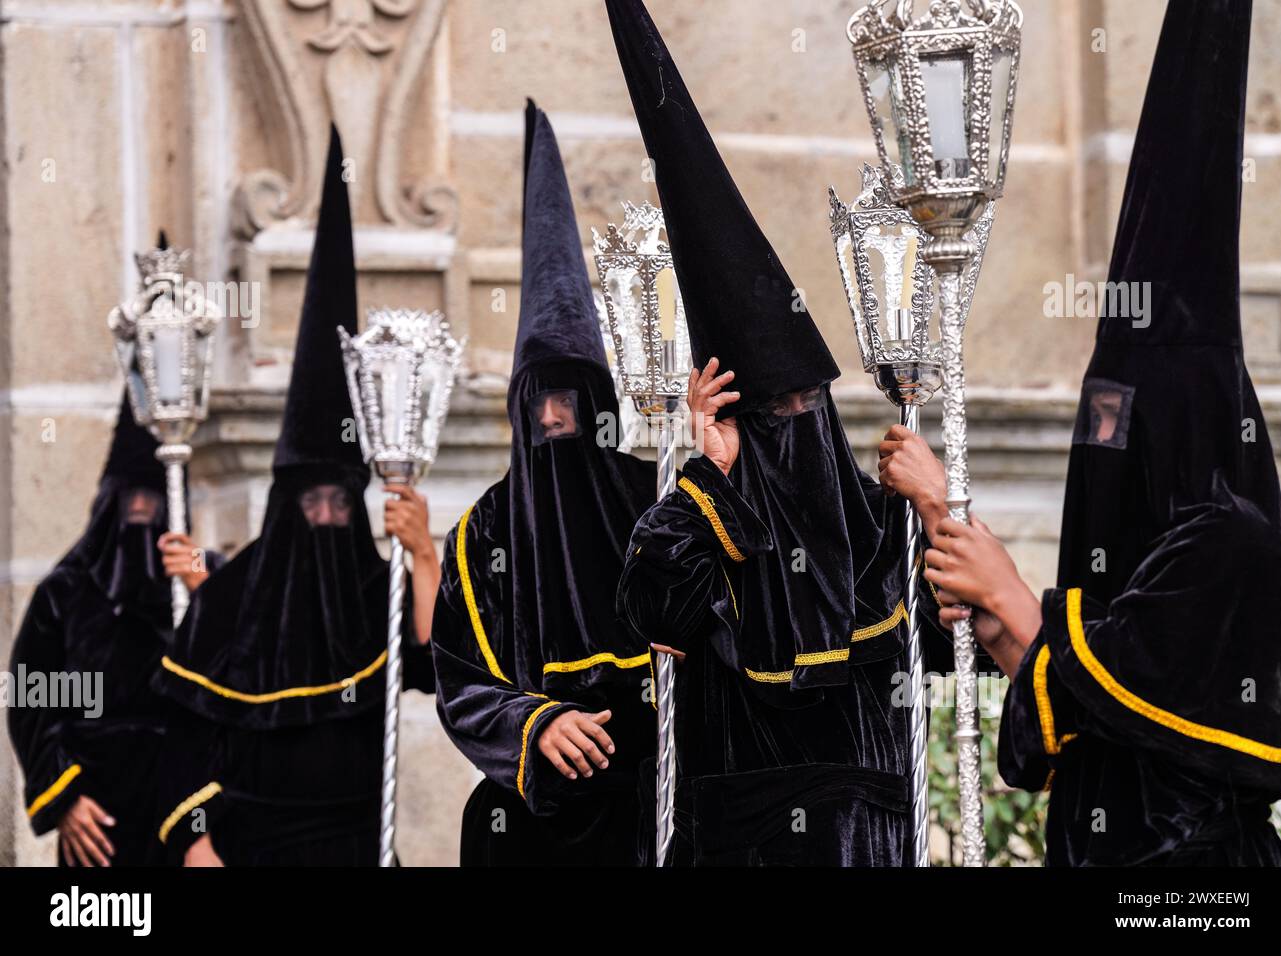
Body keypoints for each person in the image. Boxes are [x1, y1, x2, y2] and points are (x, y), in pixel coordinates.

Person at [917, 0, 1281, 865]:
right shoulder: (1141, 564)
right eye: (1097, 411)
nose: (1102, 439)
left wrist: (1012, 596)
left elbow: (1127, 678)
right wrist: (991, 607)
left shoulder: (1231, 540)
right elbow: (1076, 714)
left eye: (1121, 417)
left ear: (1186, 416)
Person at [608, 0, 955, 866]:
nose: (795, 427)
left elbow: (969, 644)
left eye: (808, 406)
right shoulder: (719, 520)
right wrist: (708, 472)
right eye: (773, 417)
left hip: (874, 837)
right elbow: (655, 608)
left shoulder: (882, 525)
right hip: (744, 841)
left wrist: (940, 506)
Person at [152, 127, 438, 866]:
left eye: (340, 504)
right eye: (308, 503)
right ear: (284, 505)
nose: (324, 518)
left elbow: (435, 668)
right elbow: (182, 733)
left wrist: (424, 553)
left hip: (355, 845)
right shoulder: (232, 595)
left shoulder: (382, 587)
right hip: (247, 847)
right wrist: (195, 841)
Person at [430, 101, 658, 866]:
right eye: (542, 404)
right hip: (529, 824)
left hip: (657, 814)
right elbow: (461, 683)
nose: (558, 420)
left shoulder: (659, 499)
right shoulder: (481, 535)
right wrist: (536, 725)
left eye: (573, 399)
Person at [8, 388, 219, 866]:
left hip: (186, 810)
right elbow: (30, 702)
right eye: (130, 502)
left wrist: (205, 588)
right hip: (99, 818)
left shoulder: (208, 579)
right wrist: (63, 796)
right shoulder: (64, 594)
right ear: (108, 503)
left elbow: (246, 677)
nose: (140, 516)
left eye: (152, 502)